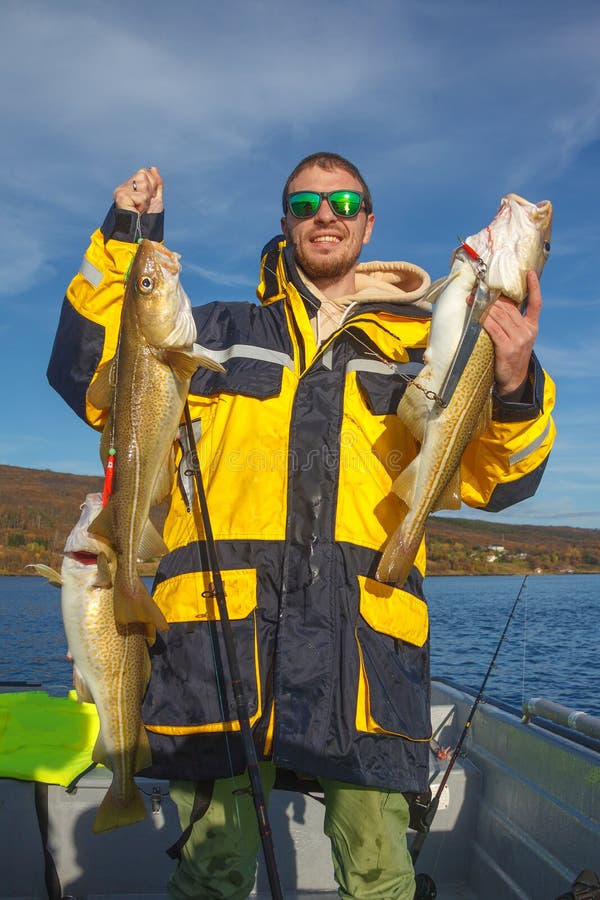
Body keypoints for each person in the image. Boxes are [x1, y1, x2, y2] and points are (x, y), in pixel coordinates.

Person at [48, 153, 556, 899]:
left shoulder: (427, 344)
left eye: (345, 201)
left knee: (381, 873)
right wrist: (128, 235)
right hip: (221, 648)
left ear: (368, 222)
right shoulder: (213, 331)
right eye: (307, 202)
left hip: (364, 654)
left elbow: (498, 477)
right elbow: (93, 369)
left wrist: (512, 387)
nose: (327, 213)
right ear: (285, 221)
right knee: (211, 873)